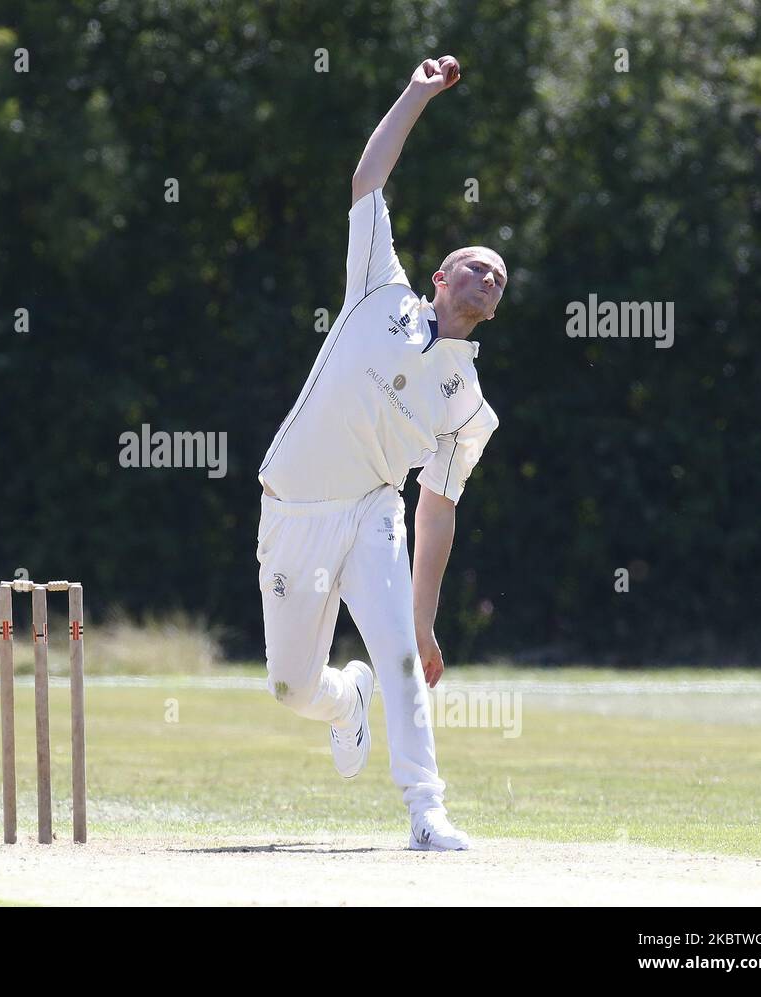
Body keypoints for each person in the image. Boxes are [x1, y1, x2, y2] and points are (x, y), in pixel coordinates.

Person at [256, 56, 503, 851]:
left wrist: (425, 622)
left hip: (372, 510)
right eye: (474, 263)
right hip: (293, 501)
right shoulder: (380, 286)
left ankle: (427, 812)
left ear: (493, 309)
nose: (487, 274)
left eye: (499, 276)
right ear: (438, 276)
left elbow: (437, 509)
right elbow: (368, 177)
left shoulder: (467, 405)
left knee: (396, 648)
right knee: (291, 685)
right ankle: (342, 700)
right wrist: (419, 92)